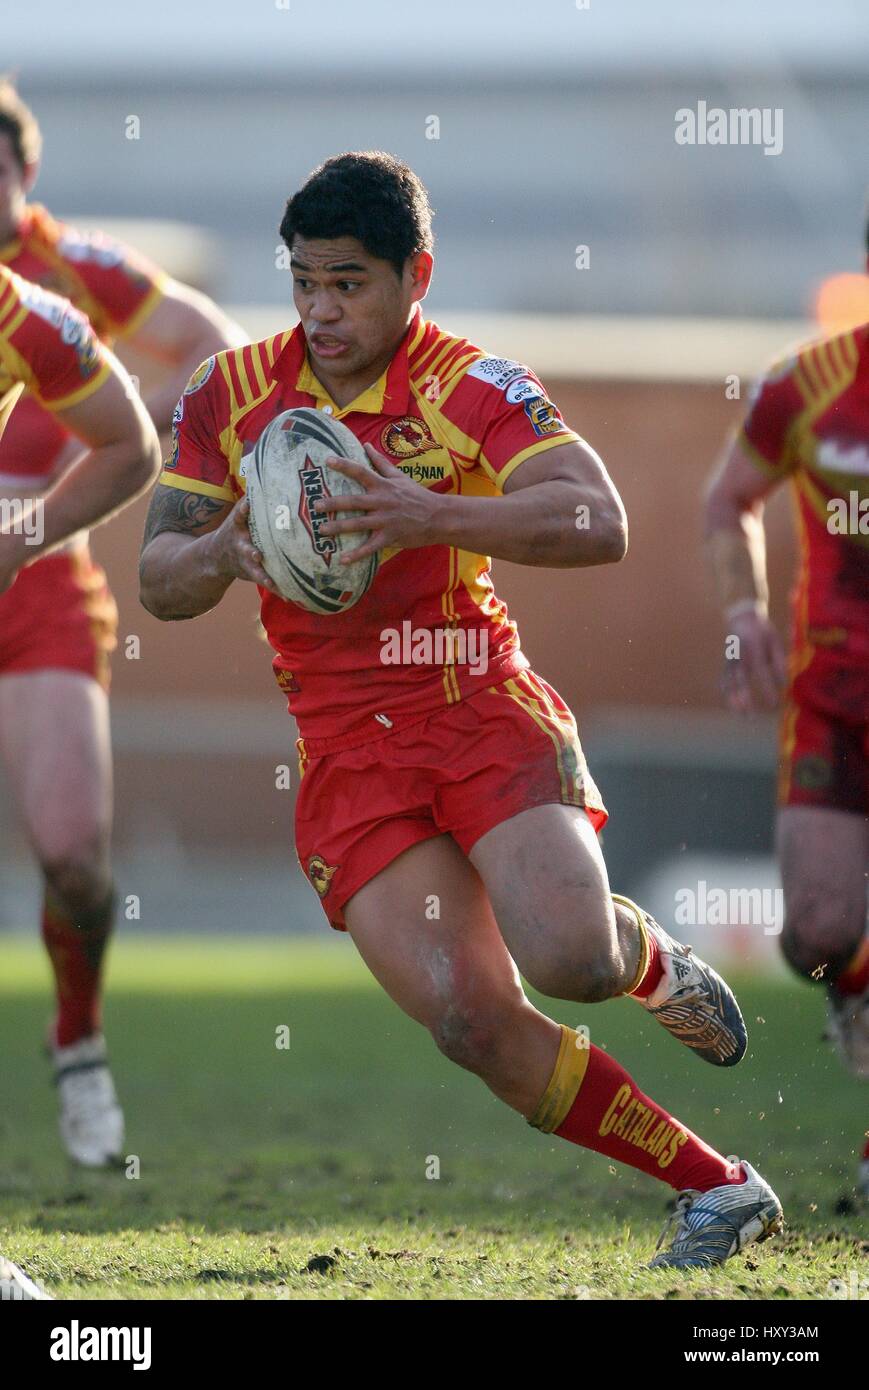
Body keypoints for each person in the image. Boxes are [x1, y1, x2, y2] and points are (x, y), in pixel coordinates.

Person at [140, 151, 782, 1268]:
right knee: (468, 1021)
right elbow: (158, 579)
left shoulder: (470, 383)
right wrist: (225, 547)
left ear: (414, 275)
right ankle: (719, 1189)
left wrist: (423, 512)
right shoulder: (228, 394)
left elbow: (596, 518)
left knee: (569, 960)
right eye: (303, 282)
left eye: (348, 283)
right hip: (344, 749)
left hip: (473, 701)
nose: (321, 309)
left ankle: (642, 960)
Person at [0, 78, 244, 1165]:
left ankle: (79, 1037)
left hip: (39, 575)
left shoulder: (60, 286)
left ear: (25, 174)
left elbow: (218, 354)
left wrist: (37, 516)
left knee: (75, 858)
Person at [705, 253, 869, 1199]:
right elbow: (726, 500)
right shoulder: (805, 383)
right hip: (833, 700)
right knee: (812, 933)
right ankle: (853, 983)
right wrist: (743, 613)